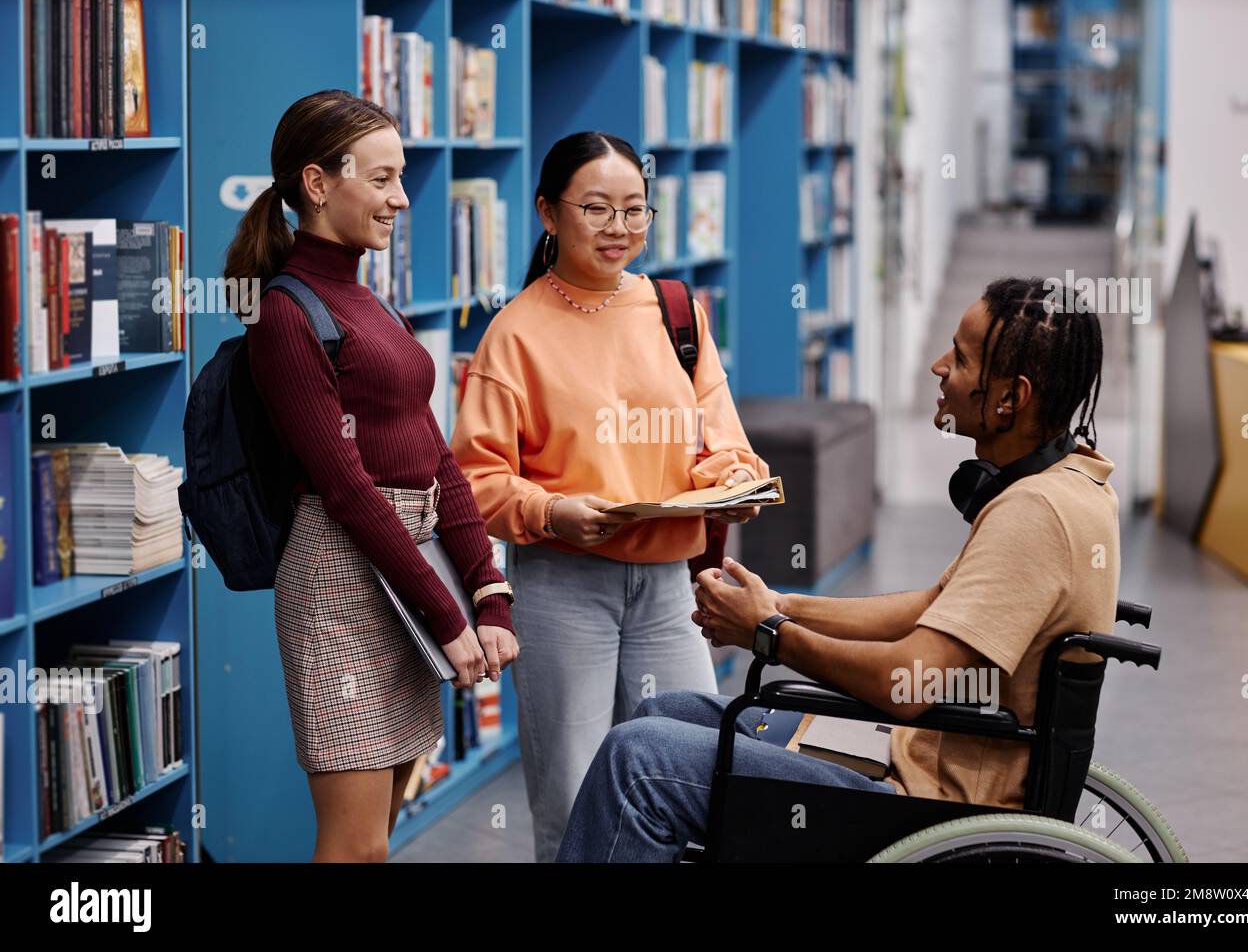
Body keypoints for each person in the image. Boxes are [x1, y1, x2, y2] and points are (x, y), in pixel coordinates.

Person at [556, 277, 1117, 861]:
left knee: (638, 760)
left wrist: (768, 638)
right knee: (664, 711)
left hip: (925, 804)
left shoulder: (1033, 515)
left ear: (1011, 396)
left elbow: (908, 685)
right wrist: (784, 606)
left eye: (962, 357)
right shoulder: (1071, 483)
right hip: (917, 763)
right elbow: (932, 608)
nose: (939, 366)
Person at [450, 131, 769, 862]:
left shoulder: (676, 312)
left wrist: (732, 484)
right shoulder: (515, 333)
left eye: (634, 209)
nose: (619, 227)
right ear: (548, 214)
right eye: (596, 209)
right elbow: (476, 481)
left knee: (697, 773)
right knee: (572, 794)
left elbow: (721, 437)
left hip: (668, 589)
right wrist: (549, 511)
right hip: (563, 586)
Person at [226, 89, 518, 862]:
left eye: (401, 177)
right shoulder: (286, 315)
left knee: (379, 836)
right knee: (355, 848)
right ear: (319, 184)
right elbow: (349, 491)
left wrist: (488, 590)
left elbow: (436, 457)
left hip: (407, 571)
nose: (400, 198)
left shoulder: (366, 298)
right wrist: (448, 619)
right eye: (383, 179)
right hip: (340, 593)